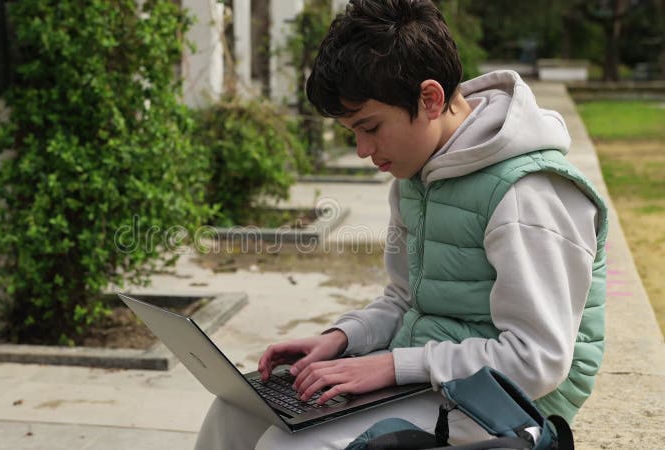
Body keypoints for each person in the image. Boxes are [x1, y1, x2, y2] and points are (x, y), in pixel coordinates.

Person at [195, 0, 608, 448]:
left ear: (429, 99)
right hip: (429, 375)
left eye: (370, 127)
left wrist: (390, 367)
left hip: (507, 403)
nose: (362, 149)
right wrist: (341, 338)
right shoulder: (418, 171)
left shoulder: (528, 192)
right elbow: (404, 298)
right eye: (353, 132)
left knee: (290, 445)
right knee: (234, 411)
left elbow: (539, 361)